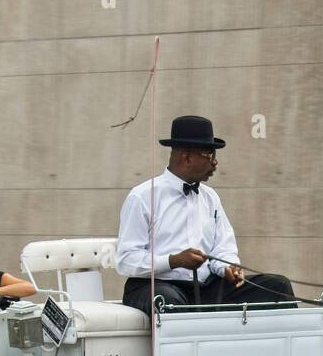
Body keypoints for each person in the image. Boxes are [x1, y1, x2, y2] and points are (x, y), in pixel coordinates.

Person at [116, 114, 294, 316]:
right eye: (209, 155)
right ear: (186, 157)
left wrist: (228, 268)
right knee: (171, 302)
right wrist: (173, 260)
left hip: (203, 287)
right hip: (154, 286)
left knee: (277, 286)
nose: (215, 162)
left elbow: (223, 249)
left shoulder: (211, 198)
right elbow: (126, 260)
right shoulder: (143, 196)